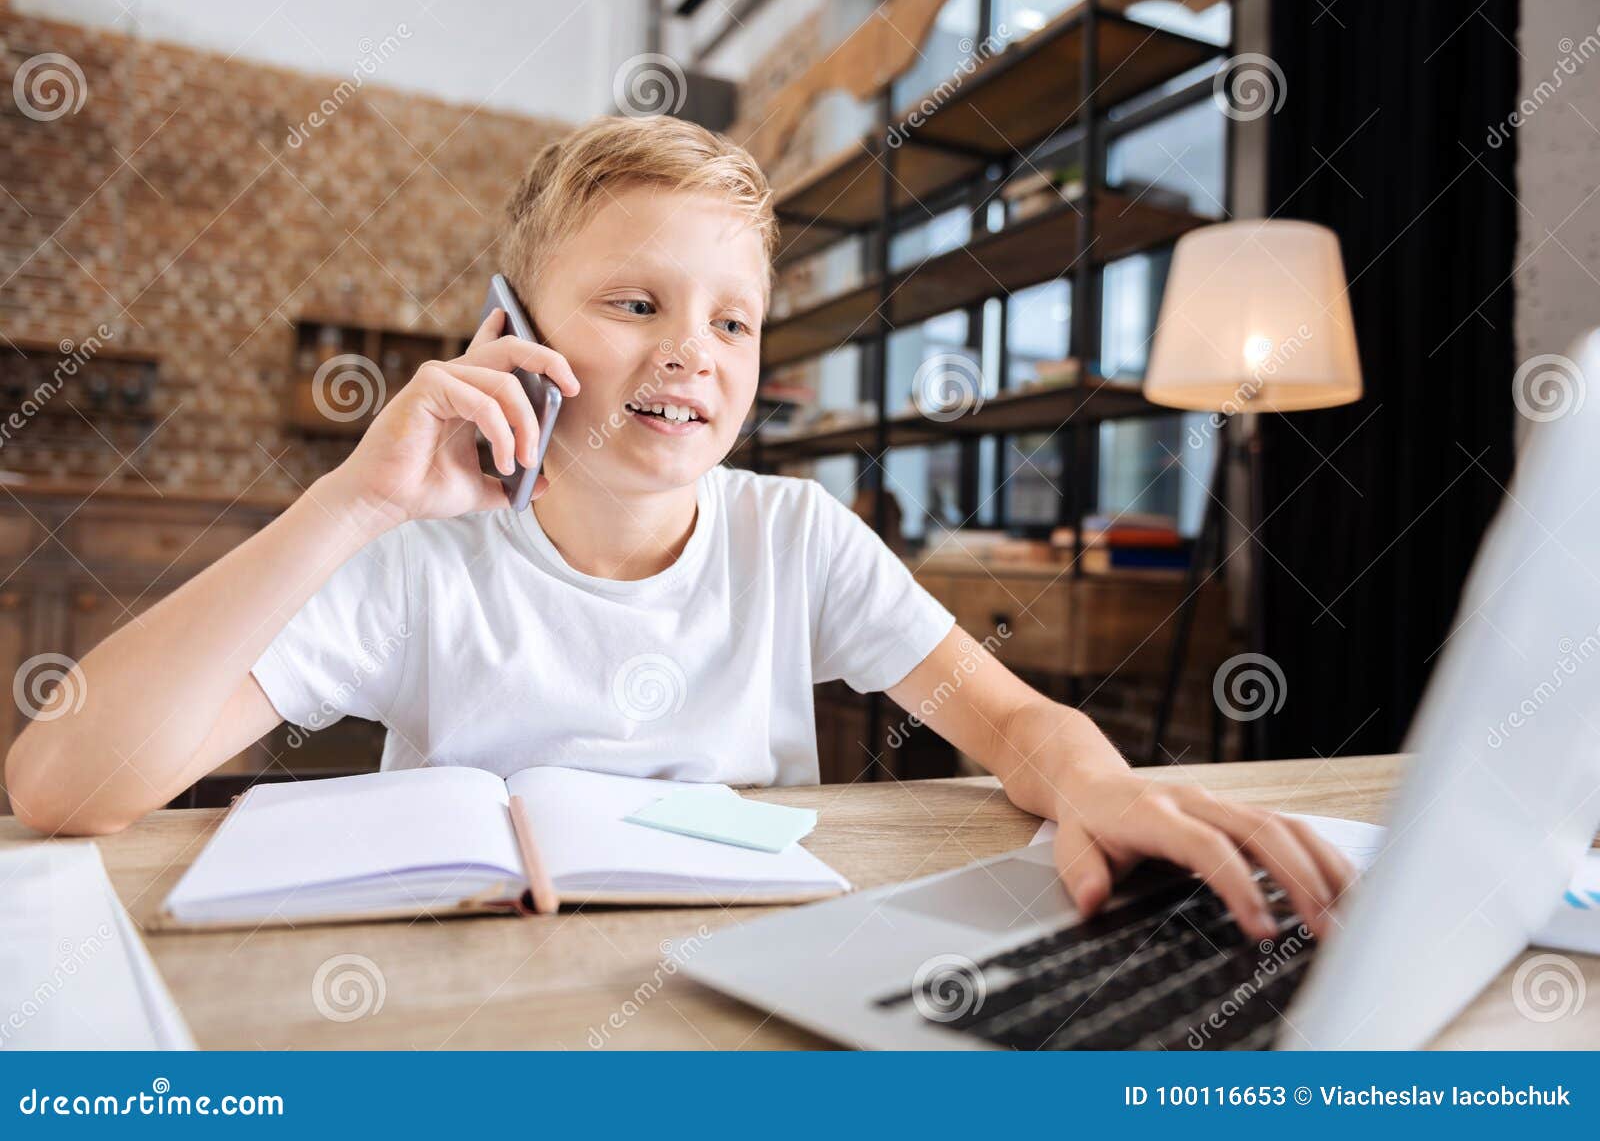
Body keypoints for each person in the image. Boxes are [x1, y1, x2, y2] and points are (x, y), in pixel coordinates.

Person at [4, 115, 1353, 940]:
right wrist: (353, 500)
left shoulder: (795, 535)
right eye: (635, 303)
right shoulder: (415, 561)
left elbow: (1007, 720)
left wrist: (1103, 787)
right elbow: (63, 788)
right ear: (511, 330)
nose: (693, 352)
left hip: (744, 971)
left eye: (732, 320)